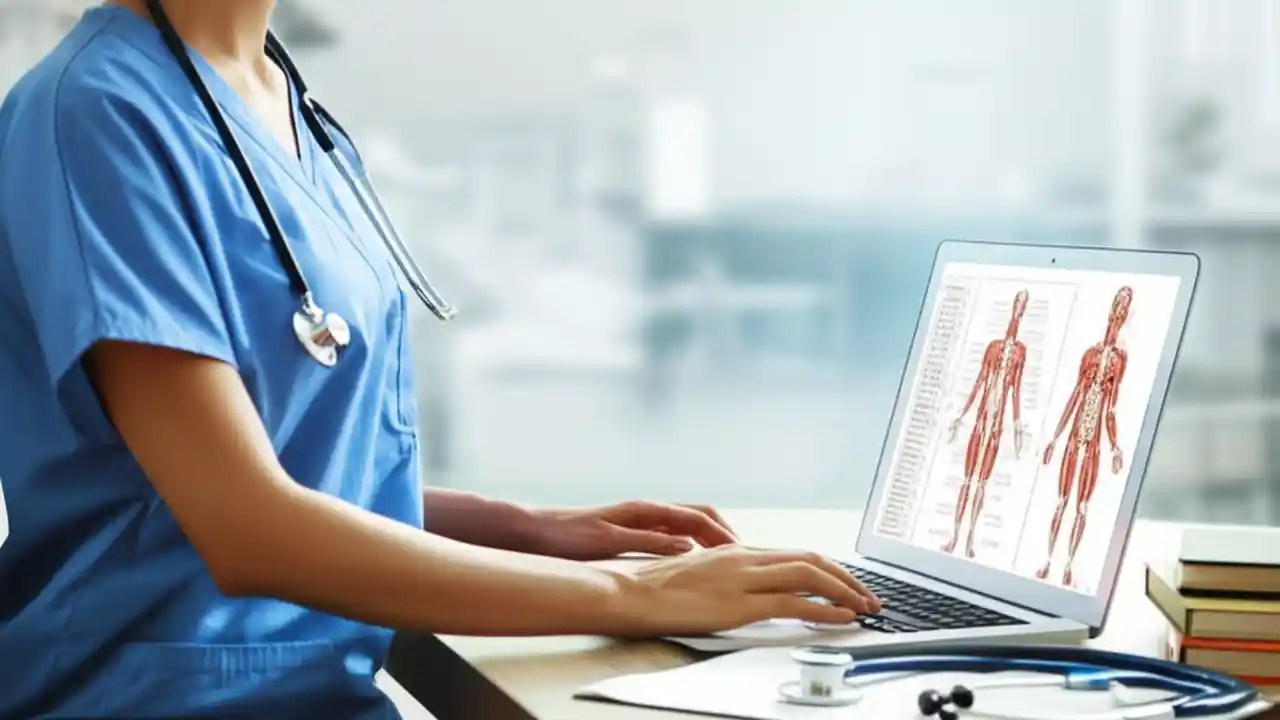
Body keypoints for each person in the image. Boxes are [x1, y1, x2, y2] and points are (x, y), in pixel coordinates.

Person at [0, 2, 878, 717]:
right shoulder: (95, 114)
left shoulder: (282, 100)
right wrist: (636, 595)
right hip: (146, 698)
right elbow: (242, 526)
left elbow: (296, 461)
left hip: (317, 692)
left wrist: (526, 528)